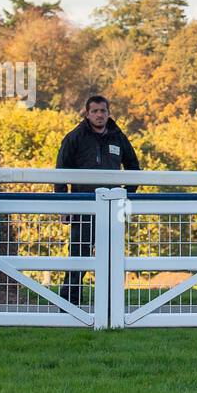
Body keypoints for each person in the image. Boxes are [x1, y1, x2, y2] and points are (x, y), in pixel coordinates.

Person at [54, 95, 141, 307]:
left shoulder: (118, 138)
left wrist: (124, 196)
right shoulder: (75, 137)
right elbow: (60, 173)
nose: (99, 115)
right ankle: (69, 305)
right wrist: (64, 206)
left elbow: (134, 169)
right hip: (82, 207)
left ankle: (111, 305)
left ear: (108, 113)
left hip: (112, 209)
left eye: (103, 111)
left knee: (112, 259)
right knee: (78, 258)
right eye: (95, 111)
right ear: (87, 114)